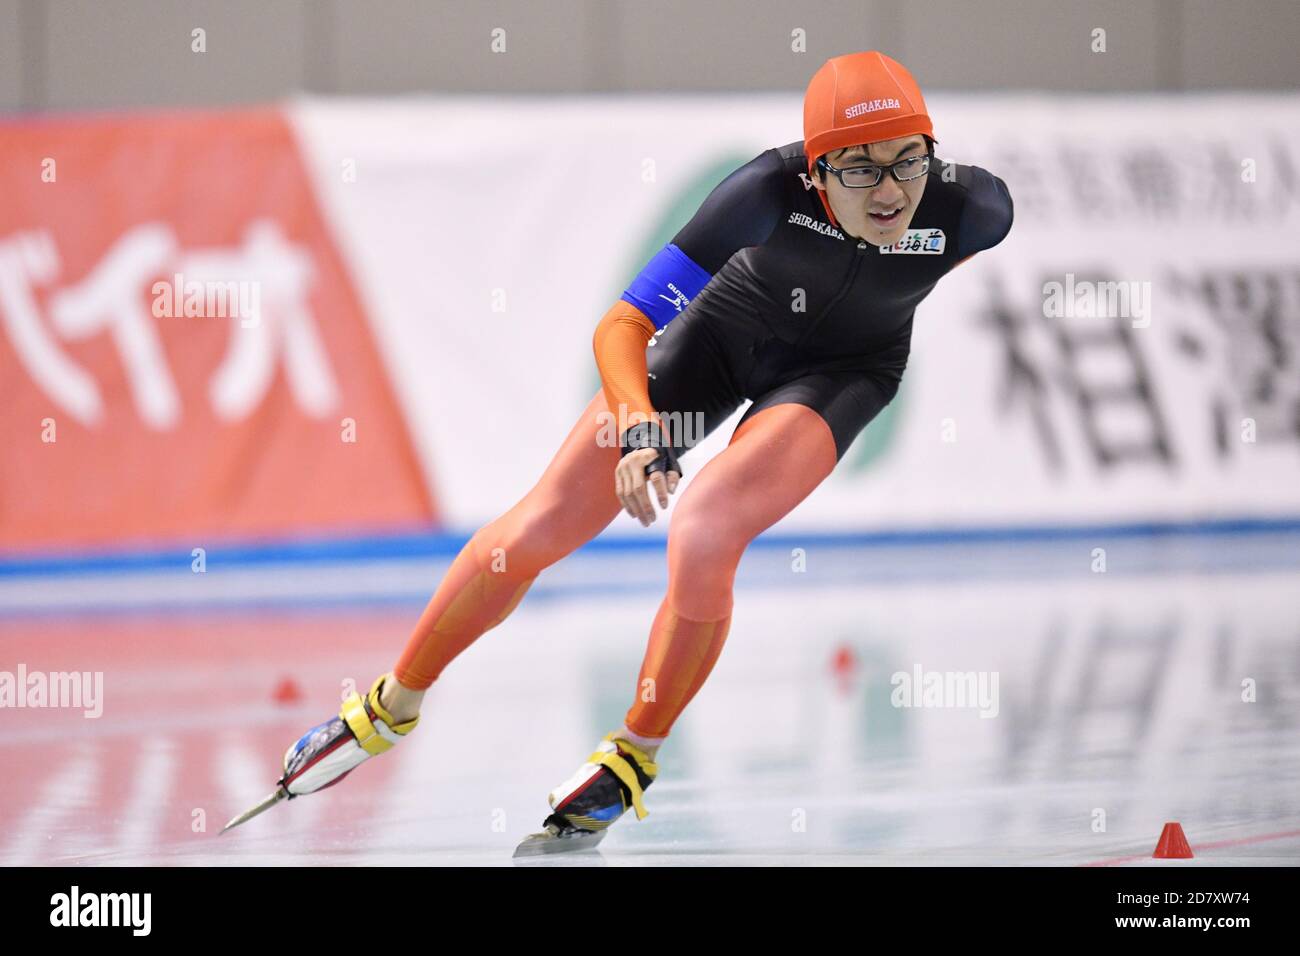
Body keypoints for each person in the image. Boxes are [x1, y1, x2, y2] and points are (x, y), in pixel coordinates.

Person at [259, 50, 1014, 852]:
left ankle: (633, 756)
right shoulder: (762, 193)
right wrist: (642, 428)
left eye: (908, 160)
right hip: (718, 344)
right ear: (818, 172)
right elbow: (623, 325)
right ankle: (391, 704)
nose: (893, 191)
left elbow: (907, 259)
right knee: (537, 530)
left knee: (705, 530)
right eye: (861, 170)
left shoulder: (976, 210)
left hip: (843, 374)